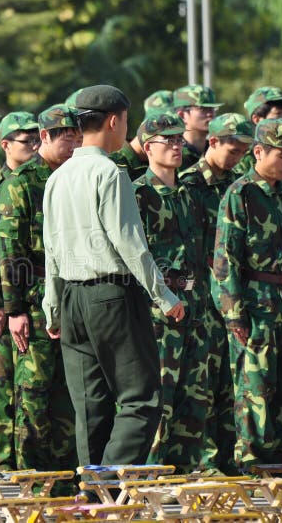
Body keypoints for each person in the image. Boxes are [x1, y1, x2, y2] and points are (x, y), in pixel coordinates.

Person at [42, 85, 185, 468]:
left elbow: (51, 250)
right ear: (113, 121)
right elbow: (130, 244)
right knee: (142, 399)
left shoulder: (57, 177)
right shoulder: (109, 172)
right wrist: (164, 297)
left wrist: (52, 308)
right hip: (112, 295)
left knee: (91, 405)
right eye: (125, 120)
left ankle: (92, 490)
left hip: (72, 298)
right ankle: (106, 482)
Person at [211, 118, 282, 467]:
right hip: (254, 302)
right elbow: (226, 259)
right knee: (255, 385)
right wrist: (234, 314)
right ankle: (253, 460)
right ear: (258, 152)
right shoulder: (241, 194)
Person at [0, 104, 81, 480]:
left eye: (77, 138)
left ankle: (64, 476)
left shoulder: (75, 177)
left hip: (72, 298)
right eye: (66, 138)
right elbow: (10, 251)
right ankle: (33, 476)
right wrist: (14, 310)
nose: (73, 145)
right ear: (44, 137)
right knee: (33, 391)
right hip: (33, 302)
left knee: (68, 391)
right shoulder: (22, 183)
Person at [131, 112, 209, 472]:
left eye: (180, 140)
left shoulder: (190, 193)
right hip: (157, 309)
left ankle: (184, 473)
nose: (177, 146)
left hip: (194, 304)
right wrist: (160, 298)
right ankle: (151, 474)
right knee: (159, 396)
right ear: (148, 148)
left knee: (194, 396)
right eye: (169, 141)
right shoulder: (138, 194)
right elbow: (135, 256)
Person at [180, 113, 254, 475]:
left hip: (232, 295)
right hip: (200, 296)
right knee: (202, 380)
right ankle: (205, 459)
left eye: (243, 152)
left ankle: (229, 456)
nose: (238, 157)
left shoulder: (240, 186)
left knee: (231, 380)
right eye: (233, 150)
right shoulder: (189, 185)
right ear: (212, 142)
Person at [0, 112, 40, 471]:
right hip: (3, 298)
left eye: (36, 138)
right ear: (5, 145)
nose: (33, 145)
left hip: (31, 292)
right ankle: (1, 460)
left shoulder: (39, 181)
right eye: (25, 140)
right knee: (2, 380)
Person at [172, 85, 223, 171]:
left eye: (212, 108)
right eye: (203, 109)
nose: (210, 114)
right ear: (182, 116)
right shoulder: (175, 154)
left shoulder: (216, 151)